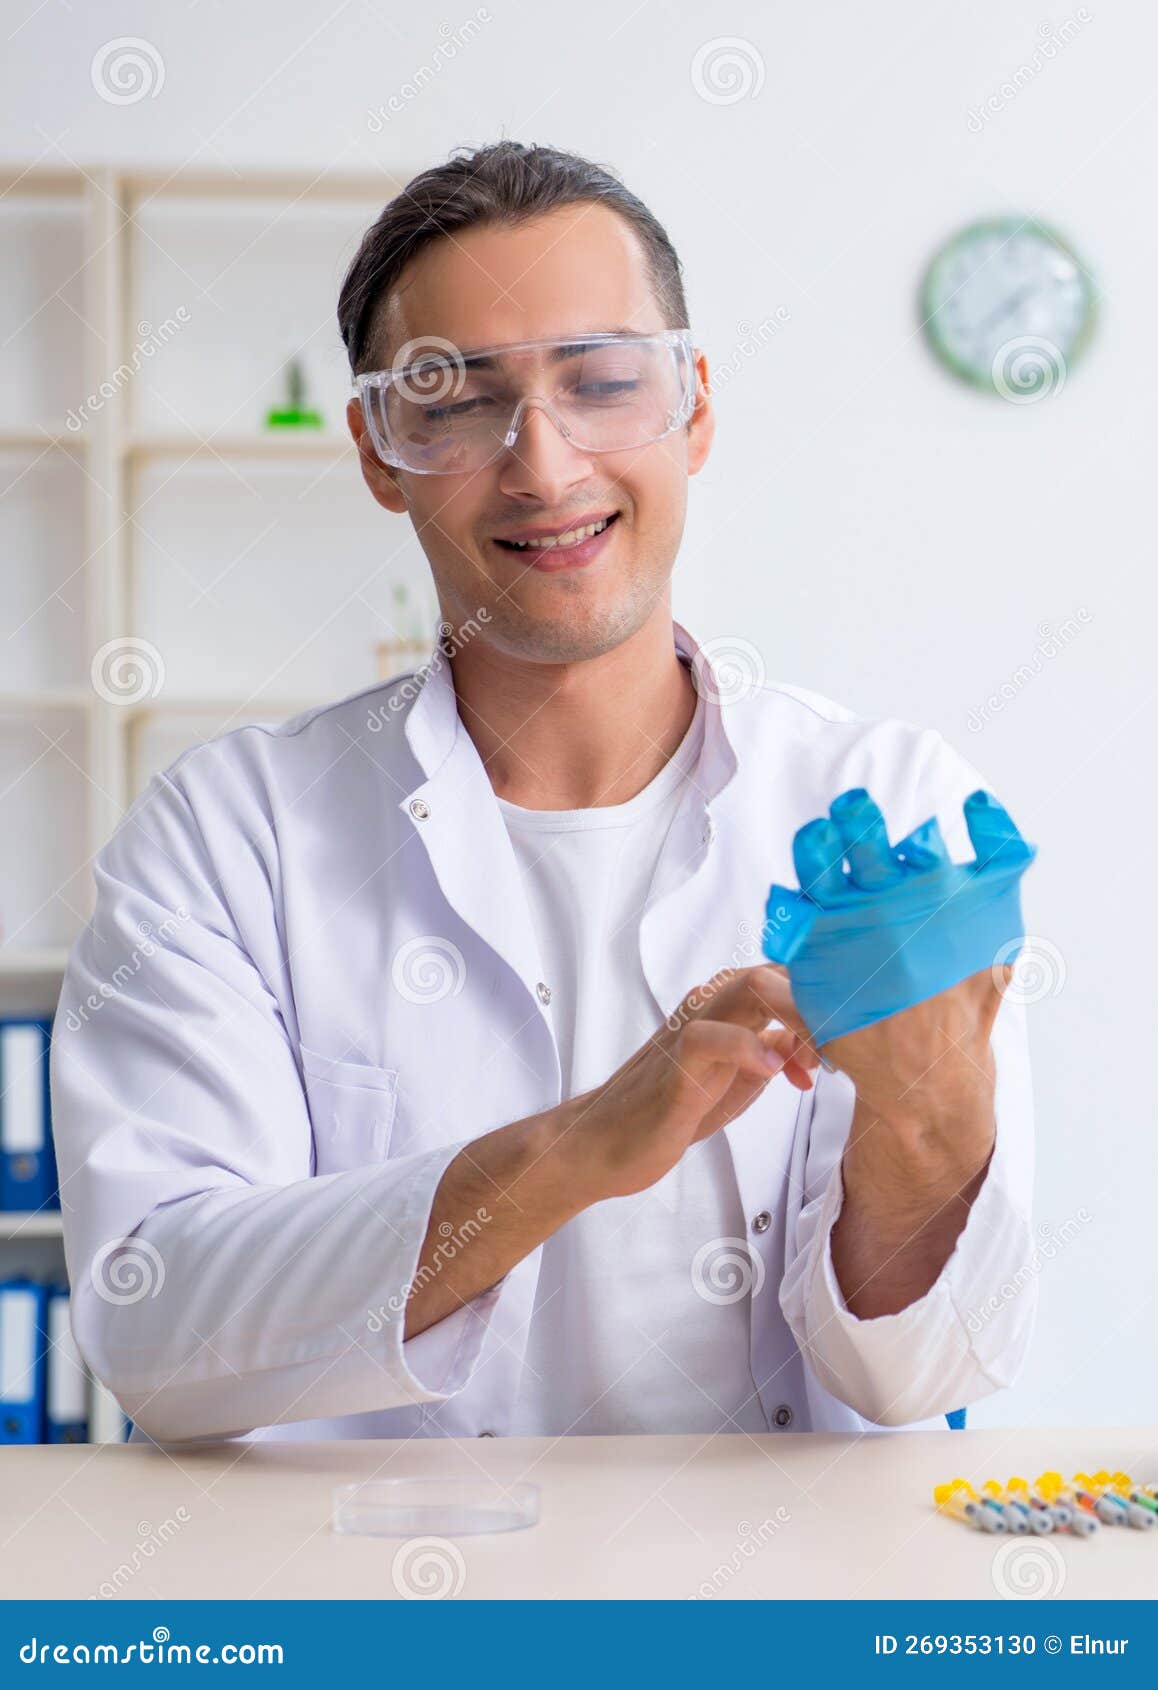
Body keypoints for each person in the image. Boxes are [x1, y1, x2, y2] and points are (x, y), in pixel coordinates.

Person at [51, 140, 1034, 1445]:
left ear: (692, 409)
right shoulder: (229, 835)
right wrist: (577, 1148)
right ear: (376, 451)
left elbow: (919, 1377)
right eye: (452, 400)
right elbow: (157, 1330)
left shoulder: (881, 806)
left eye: (602, 383)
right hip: (368, 1621)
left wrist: (932, 1110)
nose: (544, 466)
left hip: (769, 1629)